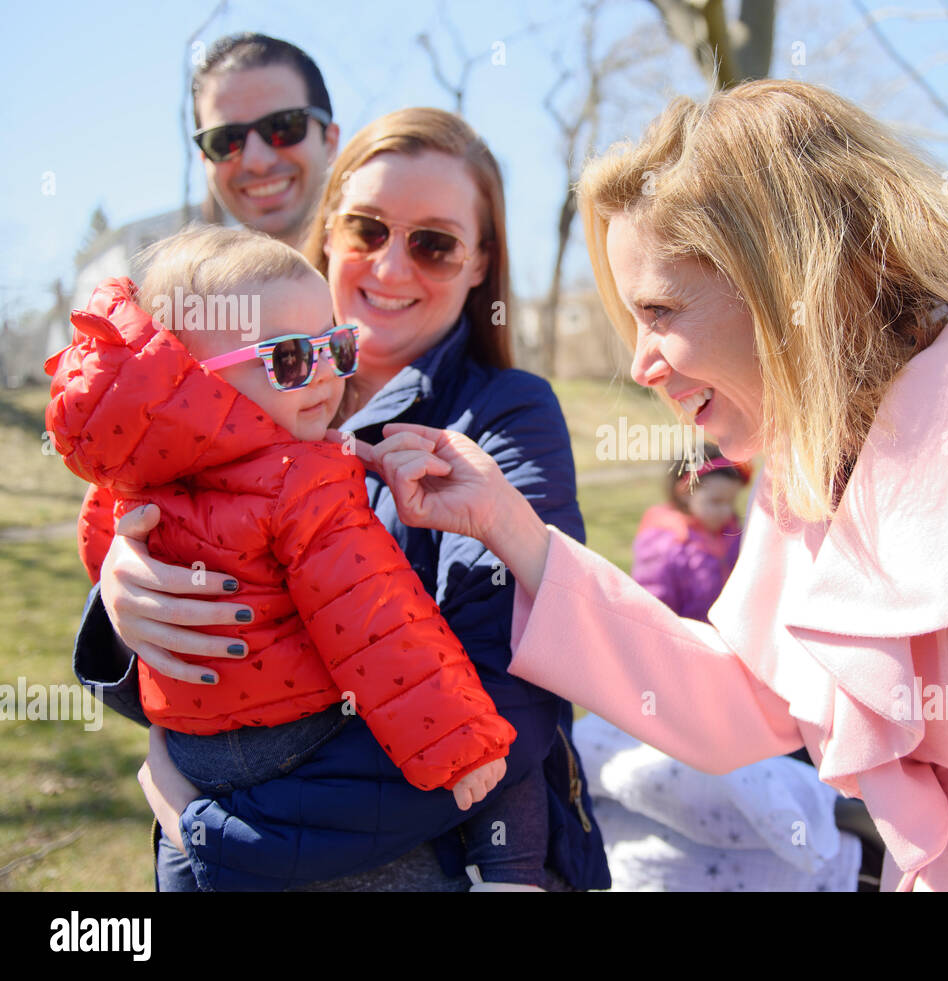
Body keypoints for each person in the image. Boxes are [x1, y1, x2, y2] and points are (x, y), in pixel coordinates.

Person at [358, 80, 948, 890]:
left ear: (796, 277)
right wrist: (511, 527)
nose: (639, 362)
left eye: (659, 310)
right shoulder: (823, 447)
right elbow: (738, 698)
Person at [72, 109, 608, 892]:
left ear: (481, 262)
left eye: (433, 243)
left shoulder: (506, 412)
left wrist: (215, 830)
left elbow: (512, 695)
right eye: (366, 228)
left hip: (434, 854)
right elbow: (212, 679)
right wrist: (121, 606)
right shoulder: (225, 407)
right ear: (327, 233)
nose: (391, 268)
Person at [190, 33, 339, 247]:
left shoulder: (399, 269)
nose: (257, 162)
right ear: (205, 159)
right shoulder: (187, 280)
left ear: (330, 142)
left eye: (283, 127)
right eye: (226, 139)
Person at [631, 447, 750, 621]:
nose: (726, 511)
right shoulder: (663, 546)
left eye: (731, 502)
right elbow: (653, 607)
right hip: (687, 641)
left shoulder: (734, 534)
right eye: (716, 502)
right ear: (686, 493)